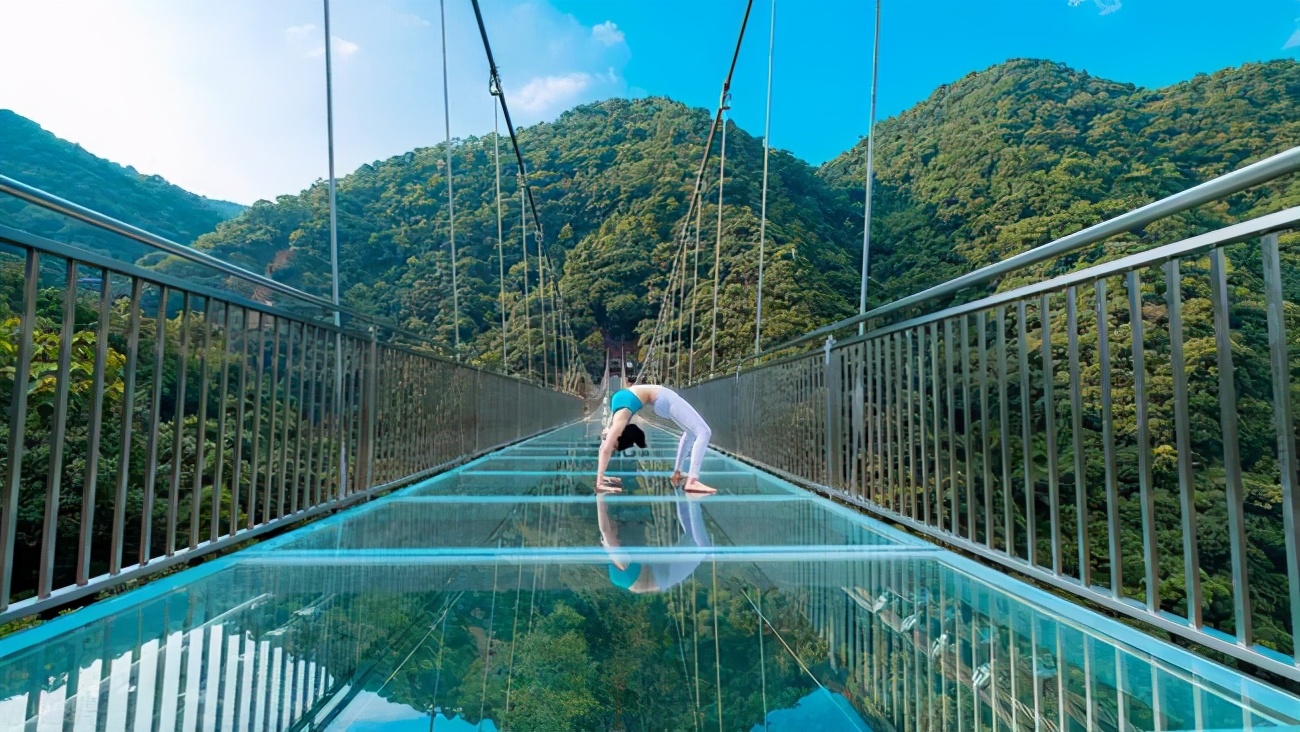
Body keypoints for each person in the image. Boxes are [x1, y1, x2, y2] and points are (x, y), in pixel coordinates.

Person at [596, 383, 715, 494]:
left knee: (695, 433)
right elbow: (605, 447)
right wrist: (600, 479)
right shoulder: (616, 419)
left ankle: (677, 473)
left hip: (663, 399)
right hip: (663, 399)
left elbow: (605, 448)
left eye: (615, 445)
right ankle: (692, 481)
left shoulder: (616, 423)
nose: (618, 445)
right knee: (704, 432)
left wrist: (600, 481)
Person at [597, 489, 712, 593]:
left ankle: (688, 495)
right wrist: (600, 498)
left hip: (664, 573)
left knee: (699, 545)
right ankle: (683, 493)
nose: (619, 540)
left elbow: (606, 530)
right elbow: (606, 531)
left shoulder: (618, 562)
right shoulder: (618, 559)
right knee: (695, 541)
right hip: (663, 572)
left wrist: (601, 498)